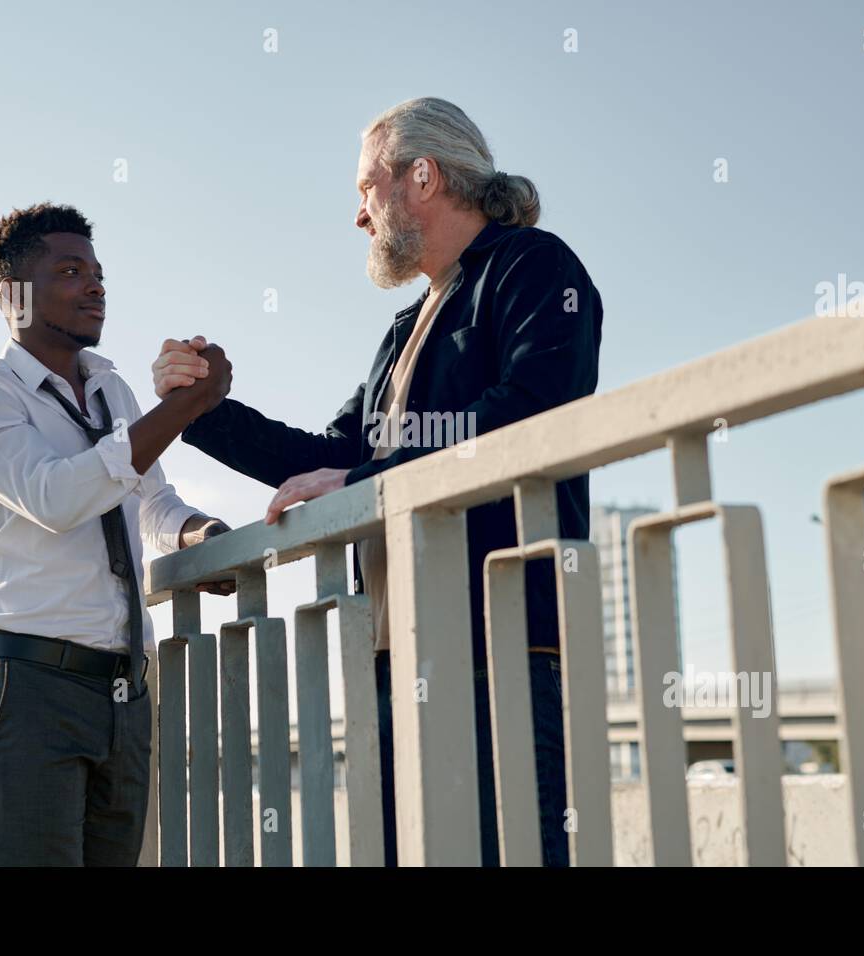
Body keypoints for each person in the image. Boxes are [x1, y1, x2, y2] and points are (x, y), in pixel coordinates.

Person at [153, 99, 603, 865]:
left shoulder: (536, 267)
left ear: (421, 176)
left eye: (367, 187)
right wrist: (200, 408)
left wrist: (364, 478)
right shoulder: (403, 329)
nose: (359, 214)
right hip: (397, 661)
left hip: (501, 648)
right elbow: (327, 454)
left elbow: (529, 411)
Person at [0, 202, 234, 865]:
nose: (95, 286)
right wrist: (183, 407)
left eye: (98, 272)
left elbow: (152, 503)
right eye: (70, 271)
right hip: (30, 684)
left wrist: (198, 534)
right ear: (12, 292)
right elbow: (55, 497)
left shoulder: (114, 394)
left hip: (126, 694)